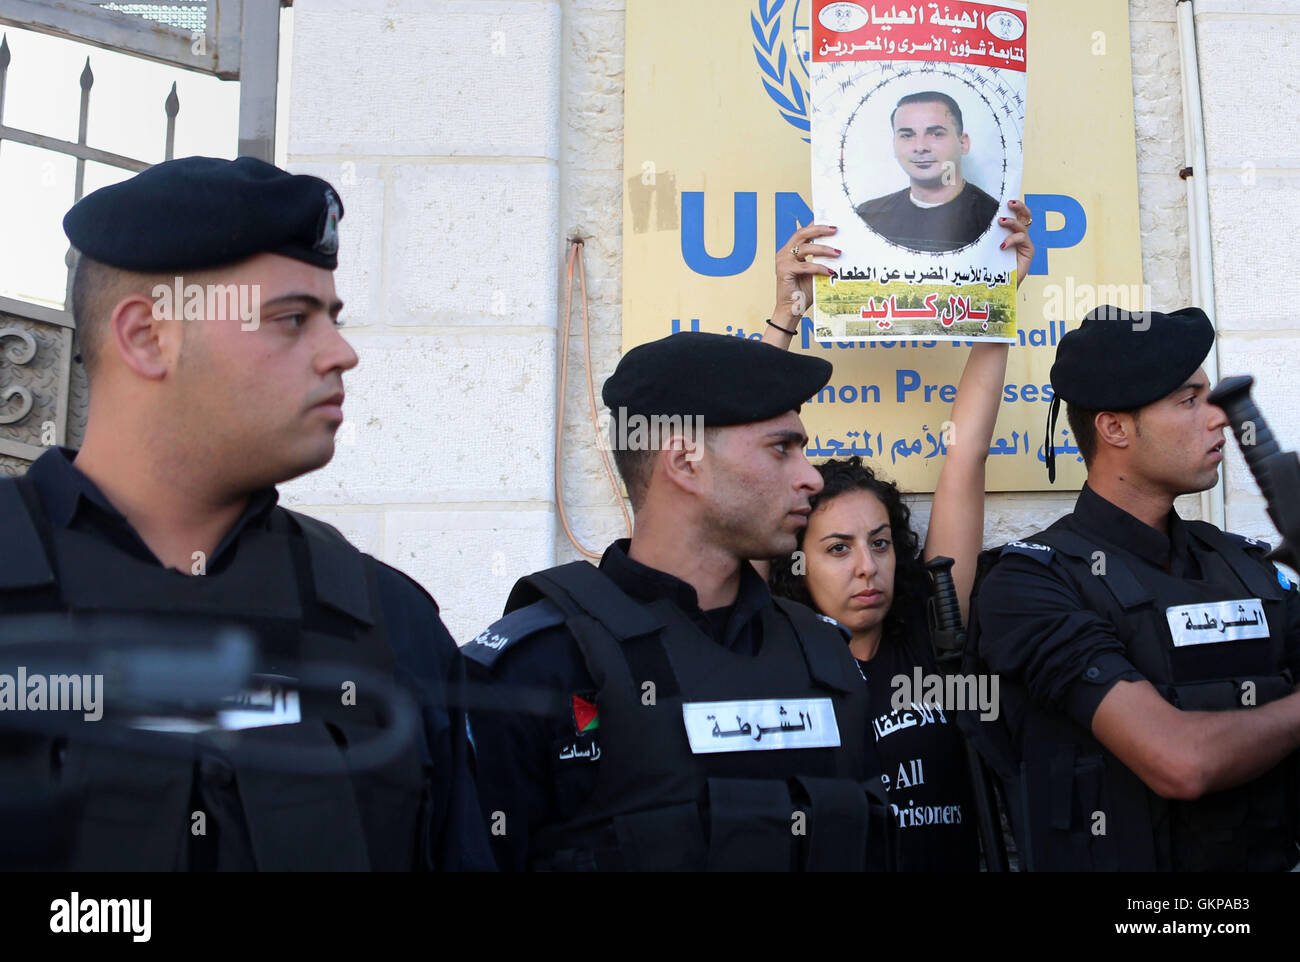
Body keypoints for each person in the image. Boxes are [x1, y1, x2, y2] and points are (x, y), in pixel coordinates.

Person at [0, 156, 493, 871]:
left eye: (333, 318)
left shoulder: (389, 625)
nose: (342, 353)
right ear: (147, 337)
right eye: (291, 320)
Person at [463, 332, 889, 871]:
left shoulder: (824, 656)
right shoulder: (540, 667)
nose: (810, 477)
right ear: (686, 459)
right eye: (783, 448)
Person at [967, 305, 1300, 871]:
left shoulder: (1243, 564)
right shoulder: (1030, 584)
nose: (1219, 418)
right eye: (1189, 401)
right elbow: (1180, 762)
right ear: (1115, 427)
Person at [762, 202, 1033, 870]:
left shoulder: (930, 636)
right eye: (838, 547)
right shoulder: (776, 654)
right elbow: (749, 459)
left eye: (879, 543)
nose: (867, 567)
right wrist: (786, 313)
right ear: (795, 562)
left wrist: (995, 299)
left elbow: (964, 452)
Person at [856, 91, 1000, 253]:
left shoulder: (995, 218)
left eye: (936, 134)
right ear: (894, 143)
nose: (920, 147)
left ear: (963, 143)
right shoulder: (868, 216)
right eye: (907, 135)